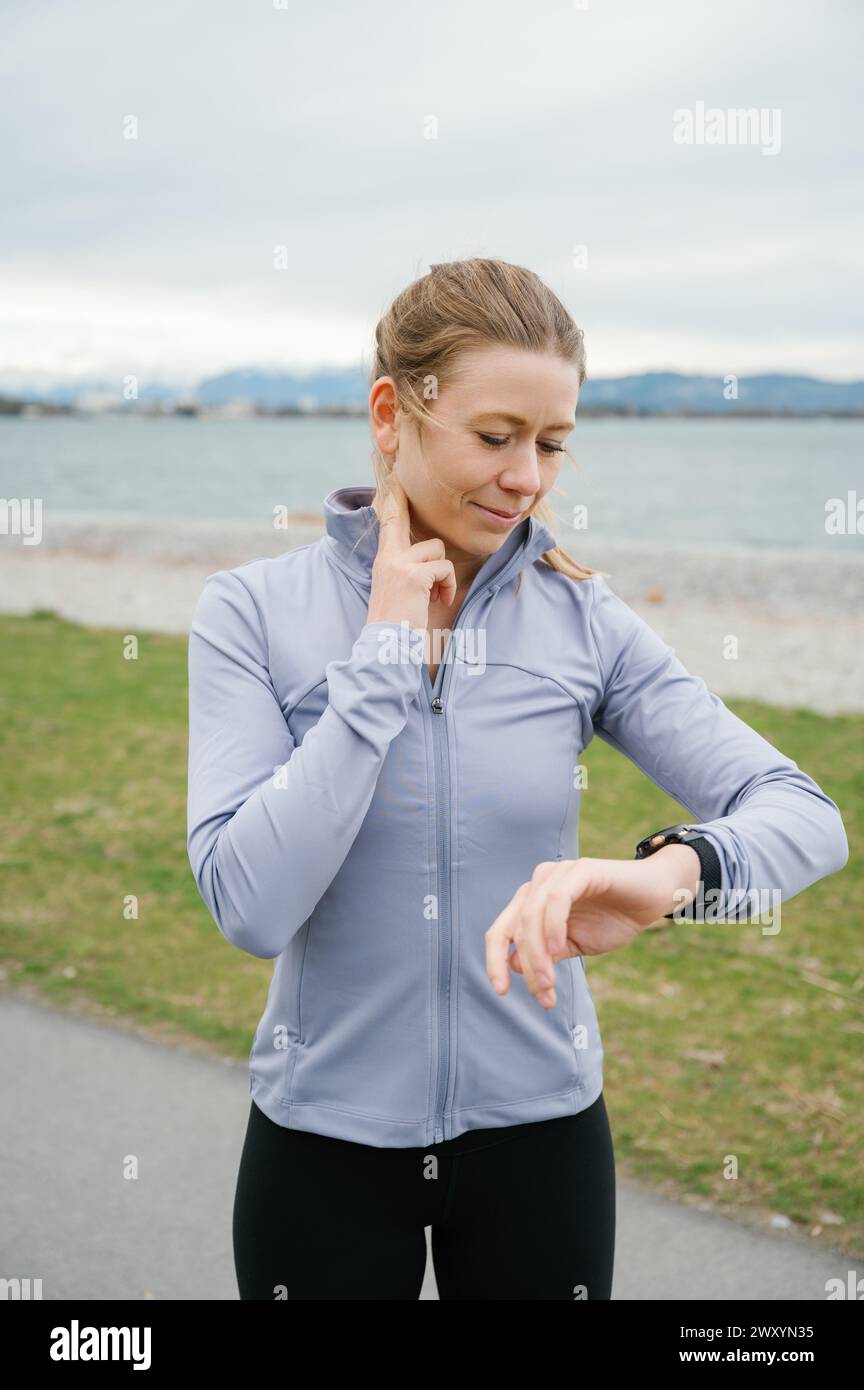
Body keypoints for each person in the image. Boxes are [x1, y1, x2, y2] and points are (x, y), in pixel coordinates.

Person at [186, 257, 849, 1300]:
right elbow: (248, 904)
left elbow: (808, 818)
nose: (529, 477)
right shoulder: (250, 613)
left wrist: (673, 873)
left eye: (550, 443)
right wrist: (381, 663)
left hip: (541, 1144)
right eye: (496, 438)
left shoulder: (583, 621)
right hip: (322, 1146)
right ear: (392, 415)